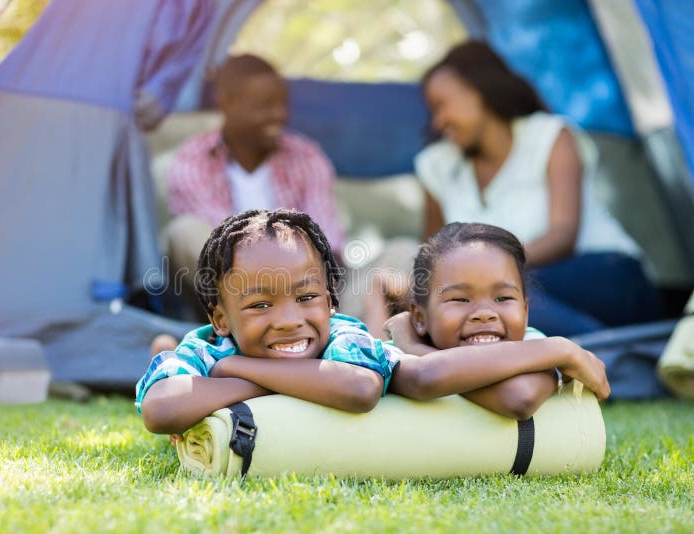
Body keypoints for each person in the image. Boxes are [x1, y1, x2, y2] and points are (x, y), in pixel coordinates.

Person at [136, 209, 610, 437]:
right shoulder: (207, 348)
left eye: (306, 298)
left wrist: (239, 371)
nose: (288, 321)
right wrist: (252, 372)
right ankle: (161, 350)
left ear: (330, 301)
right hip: (207, 356)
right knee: (170, 357)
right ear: (219, 319)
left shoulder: (342, 335)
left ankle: (162, 350)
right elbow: (161, 410)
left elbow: (360, 389)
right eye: (260, 306)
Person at [413, 40, 659, 336]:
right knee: (473, 305)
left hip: (605, 273)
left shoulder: (550, 135)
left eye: (442, 105)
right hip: (522, 291)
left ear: (479, 90)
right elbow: (434, 257)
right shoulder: (437, 166)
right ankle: (591, 355)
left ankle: (592, 362)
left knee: (504, 298)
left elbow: (562, 235)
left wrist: (484, 274)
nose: (439, 122)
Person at [164, 53, 344, 323]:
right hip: (236, 295)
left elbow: (327, 241)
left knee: (397, 256)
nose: (279, 114)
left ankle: (315, 333)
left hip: (310, 293)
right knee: (185, 232)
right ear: (227, 104)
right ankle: (256, 327)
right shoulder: (194, 160)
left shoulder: (306, 156)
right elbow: (221, 250)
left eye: (282, 104)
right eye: (265, 106)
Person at [386, 222, 564, 419]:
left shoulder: (534, 344)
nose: (484, 313)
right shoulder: (397, 359)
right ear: (420, 318)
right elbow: (424, 377)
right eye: (460, 299)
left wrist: (415, 348)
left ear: (525, 310)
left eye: (503, 298)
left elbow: (520, 398)